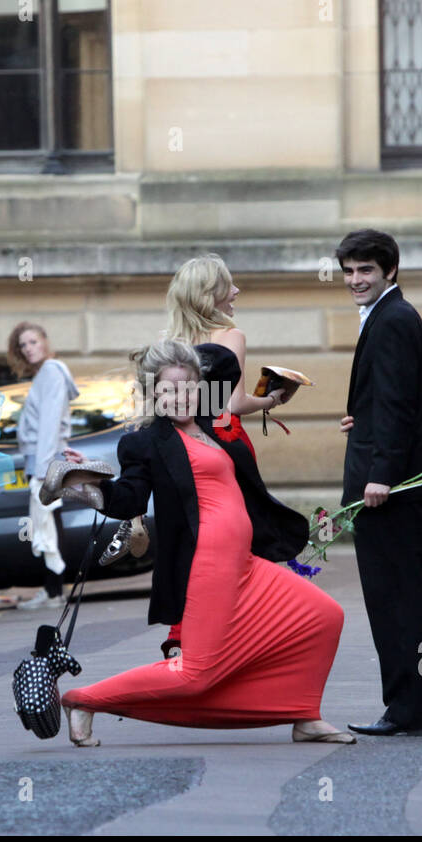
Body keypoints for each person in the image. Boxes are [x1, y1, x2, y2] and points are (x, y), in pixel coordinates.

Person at [46, 339, 351, 746]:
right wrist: (83, 483)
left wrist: (178, 355)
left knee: (322, 616)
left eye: (188, 387)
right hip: (209, 565)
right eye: (167, 391)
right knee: (196, 675)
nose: (179, 398)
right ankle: (84, 700)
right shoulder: (147, 441)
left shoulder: (210, 424)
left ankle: (304, 714)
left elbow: (224, 360)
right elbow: (129, 499)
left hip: (246, 563)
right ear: (153, 395)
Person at [143, 254, 291, 657]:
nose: (237, 291)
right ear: (211, 295)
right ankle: (241, 624)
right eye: (229, 285)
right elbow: (231, 403)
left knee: (189, 536)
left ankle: (181, 632)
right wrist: (272, 398)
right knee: (241, 535)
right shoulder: (231, 337)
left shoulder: (165, 344)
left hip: (178, 452)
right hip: (223, 444)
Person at [335, 229, 422, 737]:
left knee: (396, 601)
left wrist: (380, 474)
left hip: (391, 492)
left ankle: (411, 709)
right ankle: (416, 709)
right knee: (399, 600)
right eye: (349, 271)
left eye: (366, 271)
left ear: (390, 271)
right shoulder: (388, 316)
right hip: (394, 486)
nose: (355, 280)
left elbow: (400, 405)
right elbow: (394, 402)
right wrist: (363, 417)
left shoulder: (394, 319)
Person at [9, 322, 80, 610]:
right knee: (50, 520)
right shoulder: (46, 373)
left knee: (47, 521)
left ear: (45, 342)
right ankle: (54, 590)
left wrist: (42, 469)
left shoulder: (50, 372)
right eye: (23, 345)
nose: (28, 349)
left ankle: (53, 591)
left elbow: (50, 424)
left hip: (46, 459)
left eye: (33, 342)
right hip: (45, 457)